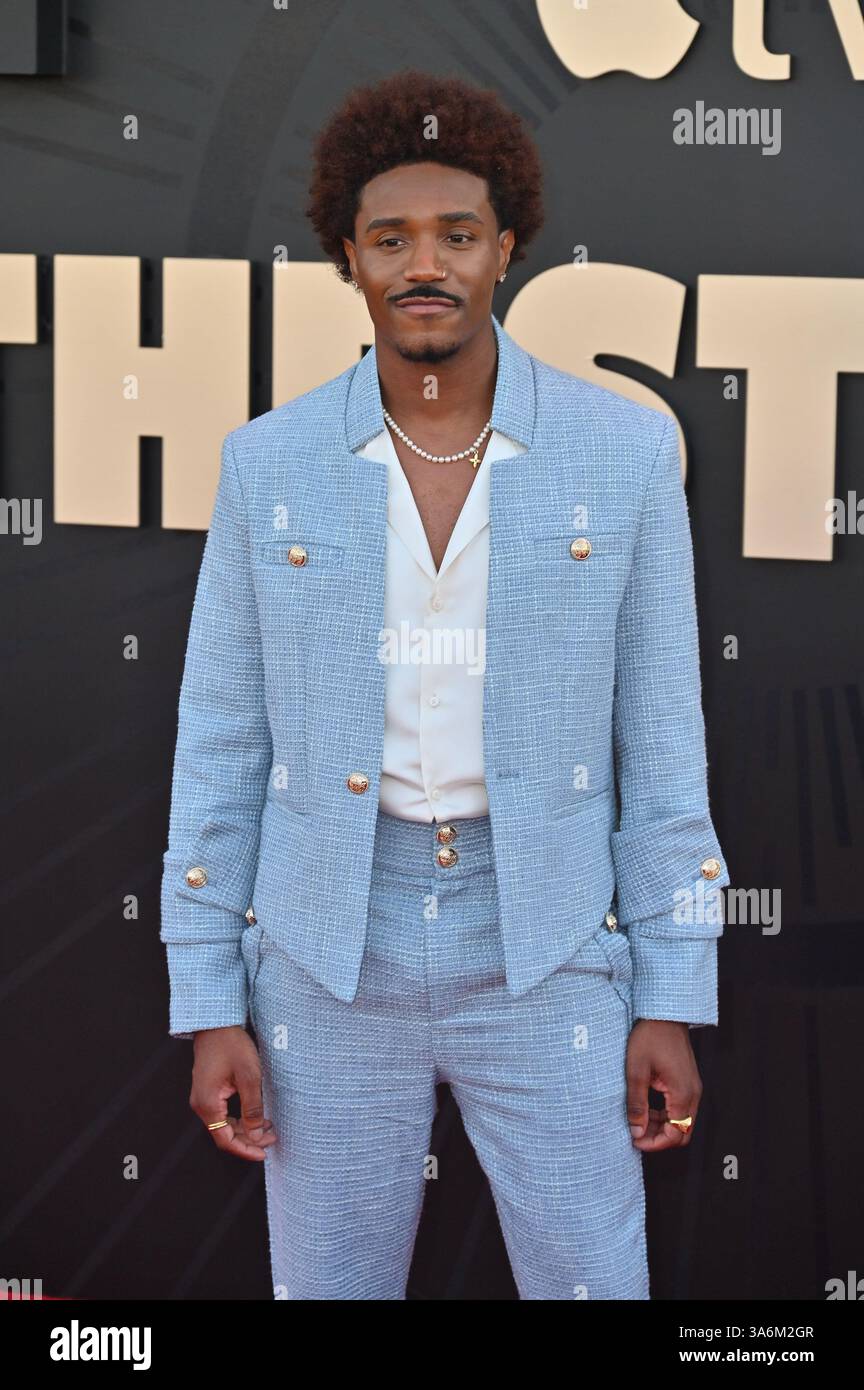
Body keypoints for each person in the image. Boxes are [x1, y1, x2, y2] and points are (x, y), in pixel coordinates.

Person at [159, 69, 730, 1300]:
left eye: (457, 235)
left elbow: (665, 744)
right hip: (322, 946)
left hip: (552, 942)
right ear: (348, 260)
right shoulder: (268, 465)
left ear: (507, 246)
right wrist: (208, 993)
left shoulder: (624, 453)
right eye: (390, 239)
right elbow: (219, 737)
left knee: (594, 1285)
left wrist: (673, 990)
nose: (427, 264)